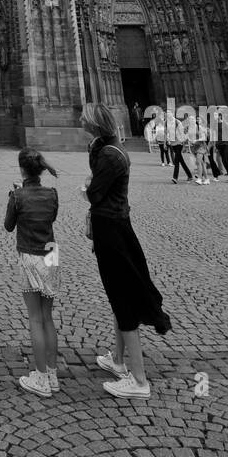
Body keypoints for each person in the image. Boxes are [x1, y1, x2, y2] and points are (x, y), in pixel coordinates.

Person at [82, 102, 170, 400]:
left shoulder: (110, 155)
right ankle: (118, 360)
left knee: (122, 295)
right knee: (119, 293)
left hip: (113, 230)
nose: (80, 121)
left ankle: (139, 379)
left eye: (84, 119)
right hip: (114, 226)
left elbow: (94, 192)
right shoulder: (107, 149)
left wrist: (88, 188)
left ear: (95, 124)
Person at [4, 149, 61, 397]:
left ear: (22, 169)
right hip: (51, 254)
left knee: (35, 319)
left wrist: (14, 196)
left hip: (30, 255)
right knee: (48, 318)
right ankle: (52, 374)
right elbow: (51, 217)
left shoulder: (18, 196)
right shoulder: (52, 194)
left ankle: (40, 378)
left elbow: (8, 226)